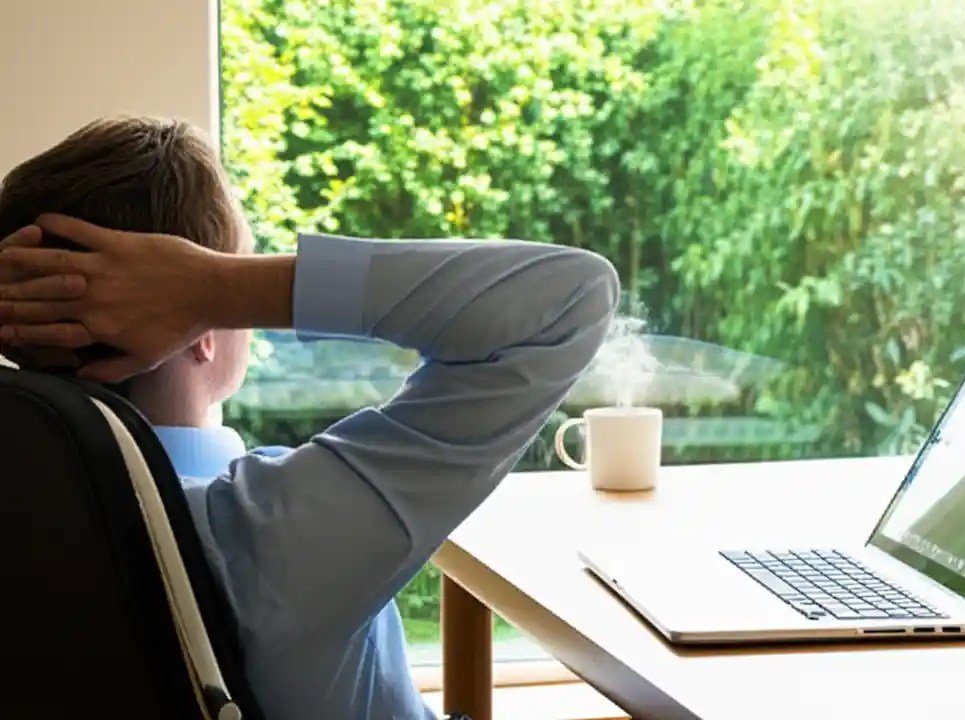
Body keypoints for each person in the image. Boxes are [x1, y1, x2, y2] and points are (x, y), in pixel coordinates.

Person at [0, 116, 619, 720]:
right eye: (232, 265)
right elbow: (568, 299)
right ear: (197, 331)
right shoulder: (263, 532)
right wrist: (215, 289)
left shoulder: (27, 520)